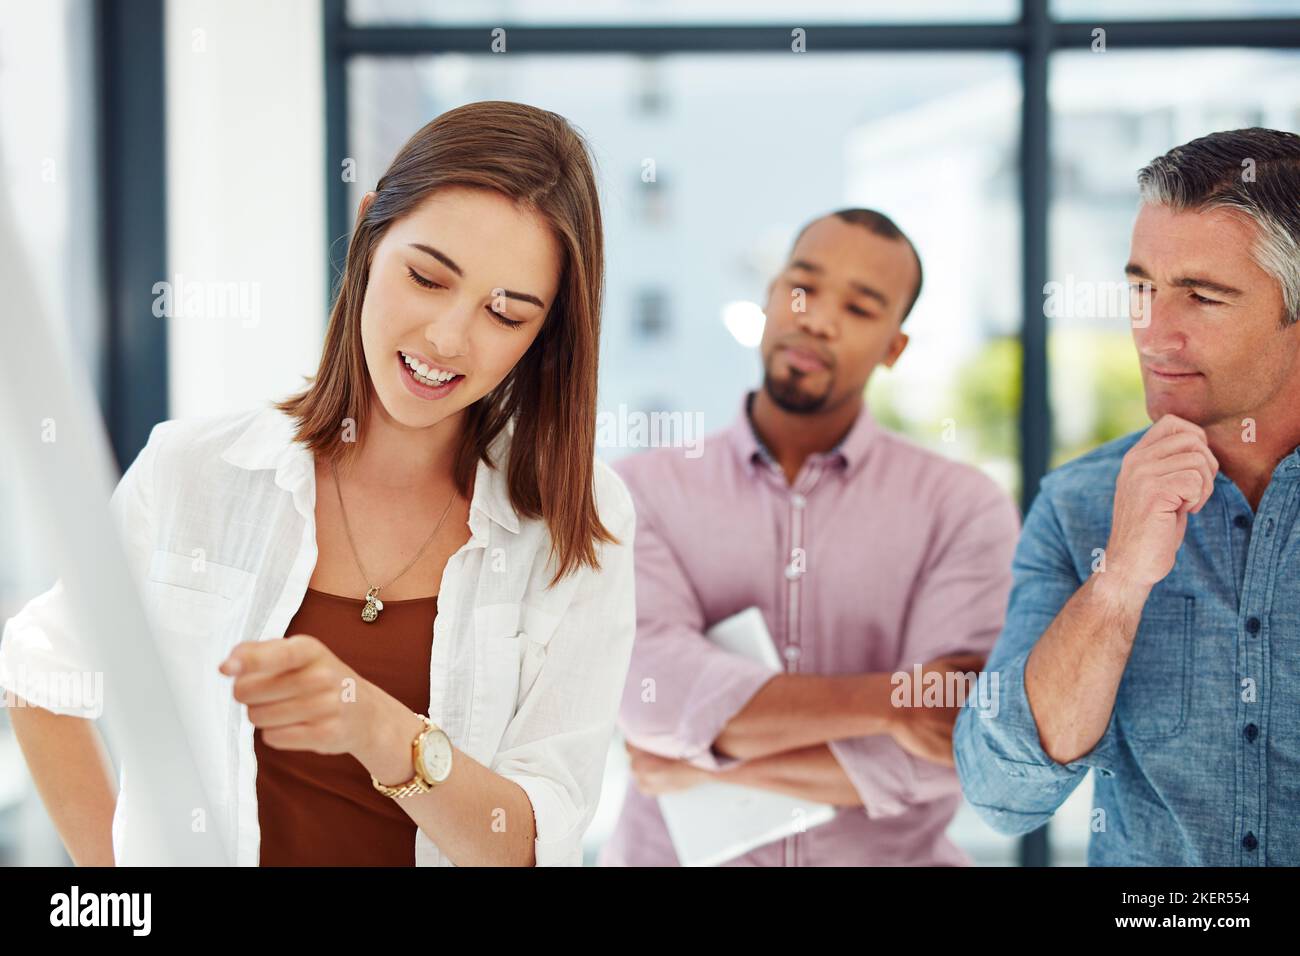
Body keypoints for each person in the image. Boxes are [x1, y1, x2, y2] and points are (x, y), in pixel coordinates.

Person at [0, 100, 636, 867]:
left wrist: (378, 729)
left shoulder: (578, 520)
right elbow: (40, 676)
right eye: (428, 278)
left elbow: (533, 842)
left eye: (506, 314)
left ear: (547, 332)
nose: (447, 338)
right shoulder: (195, 471)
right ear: (370, 233)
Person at [598, 208, 1020, 866]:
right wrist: (893, 704)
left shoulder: (963, 509)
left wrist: (708, 761)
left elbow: (960, 747)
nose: (817, 318)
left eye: (858, 307)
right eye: (802, 288)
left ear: (893, 348)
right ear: (770, 297)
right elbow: (655, 701)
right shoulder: (637, 493)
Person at [955, 127, 1300, 866]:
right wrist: (1118, 583)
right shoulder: (1078, 503)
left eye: (1202, 297)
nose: (1152, 334)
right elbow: (1000, 791)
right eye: (1141, 288)